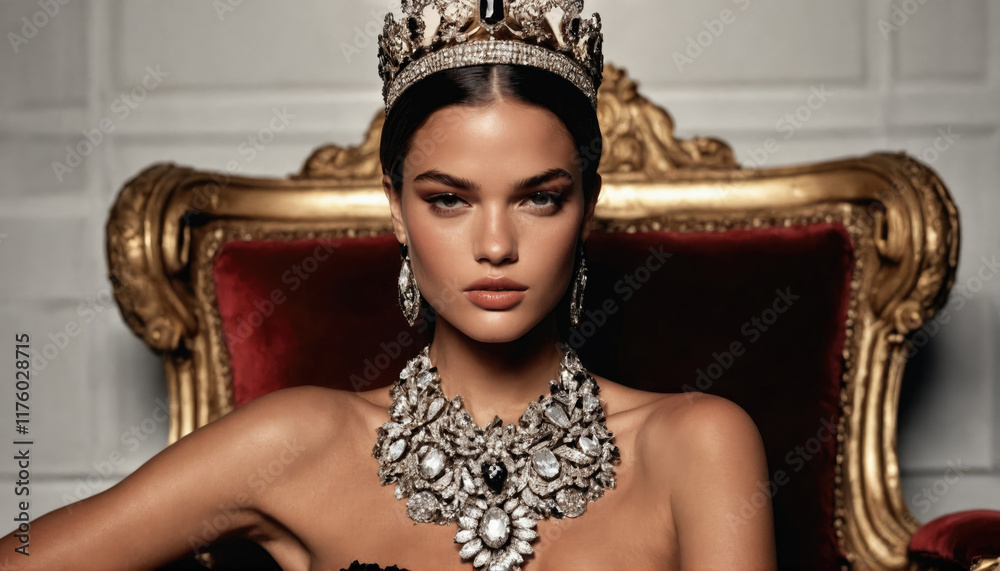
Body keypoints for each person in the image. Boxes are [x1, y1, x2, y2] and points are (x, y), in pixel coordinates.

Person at [1, 1, 776, 569]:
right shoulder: (298, 443)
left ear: (587, 207)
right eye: (449, 199)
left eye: (540, 196)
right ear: (397, 210)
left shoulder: (695, 447)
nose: (497, 245)